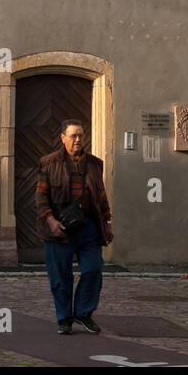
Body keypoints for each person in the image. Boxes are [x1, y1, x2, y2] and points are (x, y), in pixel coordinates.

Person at [36, 118, 113, 335]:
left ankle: (83, 313)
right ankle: (64, 319)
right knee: (60, 276)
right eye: (73, 136)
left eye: (81, 135)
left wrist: (107, 222)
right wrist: (51, 221)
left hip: (89, 226)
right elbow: (41, 197)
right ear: (63, 138)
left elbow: (102, 196)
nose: (78, 139)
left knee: (93, 269)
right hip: (59, 226)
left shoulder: (95, 164)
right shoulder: (48, 163)